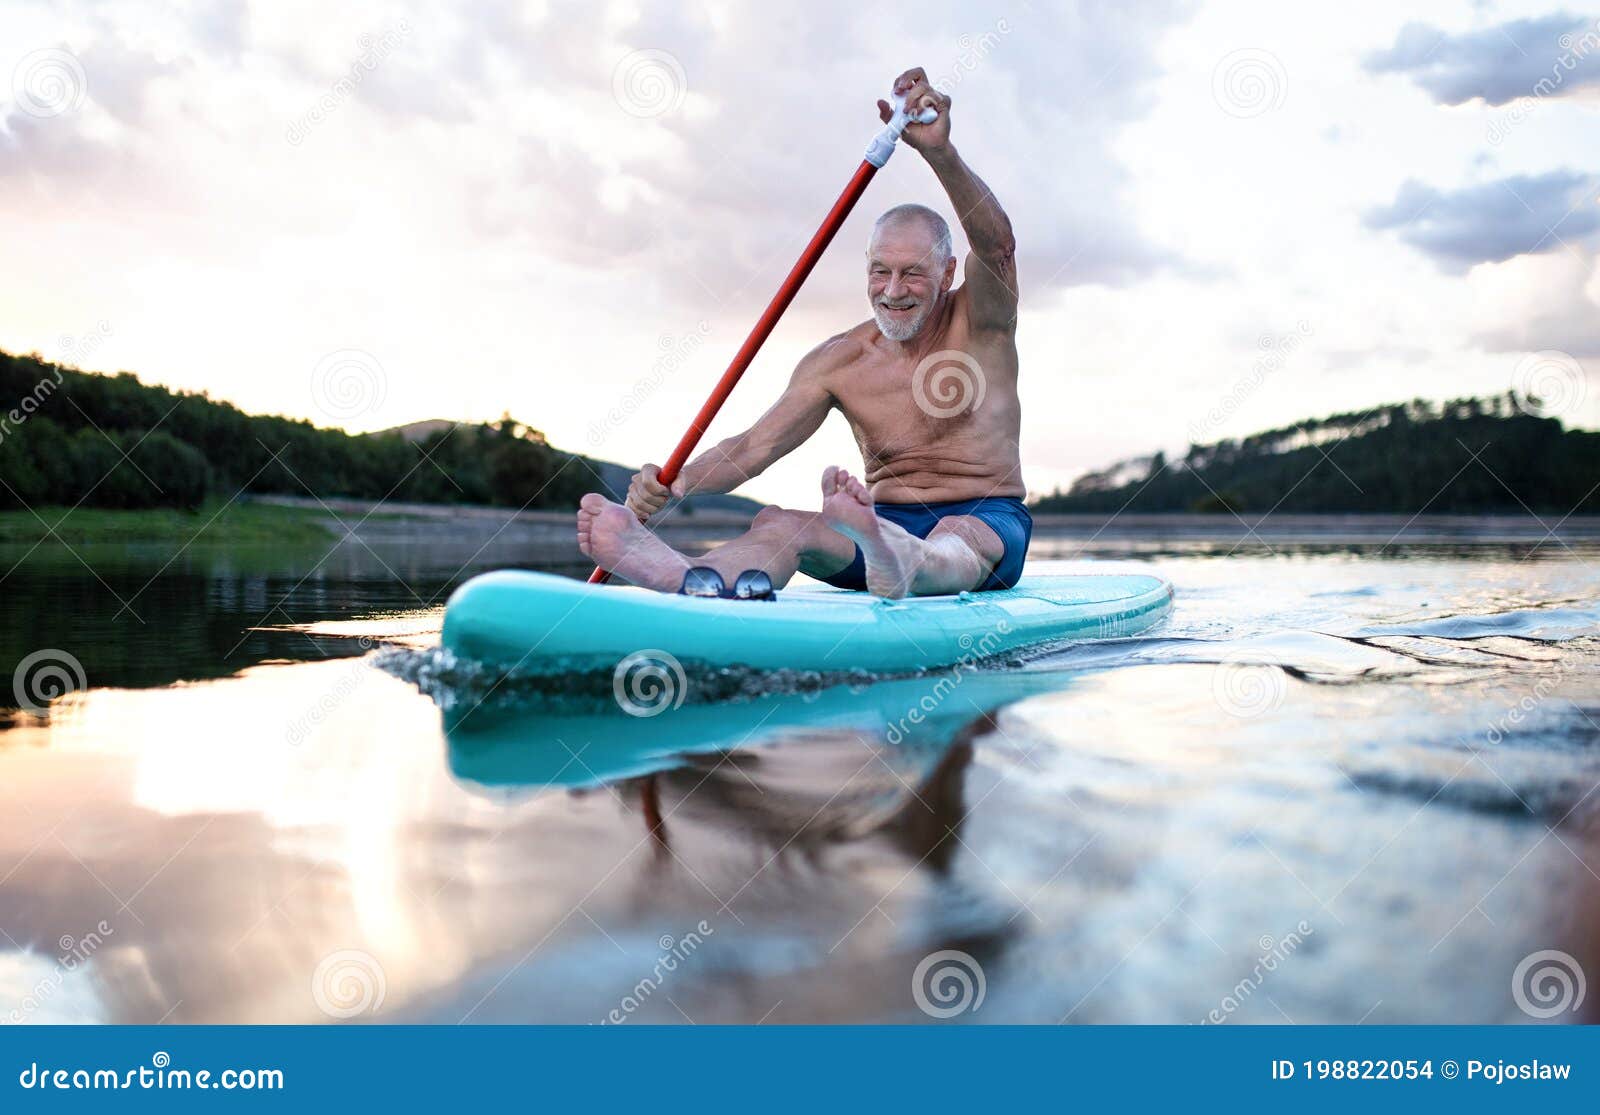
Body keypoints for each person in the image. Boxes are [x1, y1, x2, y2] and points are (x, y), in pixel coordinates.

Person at [578, 66, 1027, 600]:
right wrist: (672, 485)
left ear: (948, 273)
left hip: (985, 518)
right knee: (778, 523)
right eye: (880, 271)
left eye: (913, 273)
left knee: (957, 539)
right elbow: (751, 448)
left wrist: (939, 153)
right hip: (874, 526)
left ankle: (903, 558)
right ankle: (687, 577)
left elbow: (996, 247)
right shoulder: (838, 361)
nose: (892, 290)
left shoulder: (982, 324)